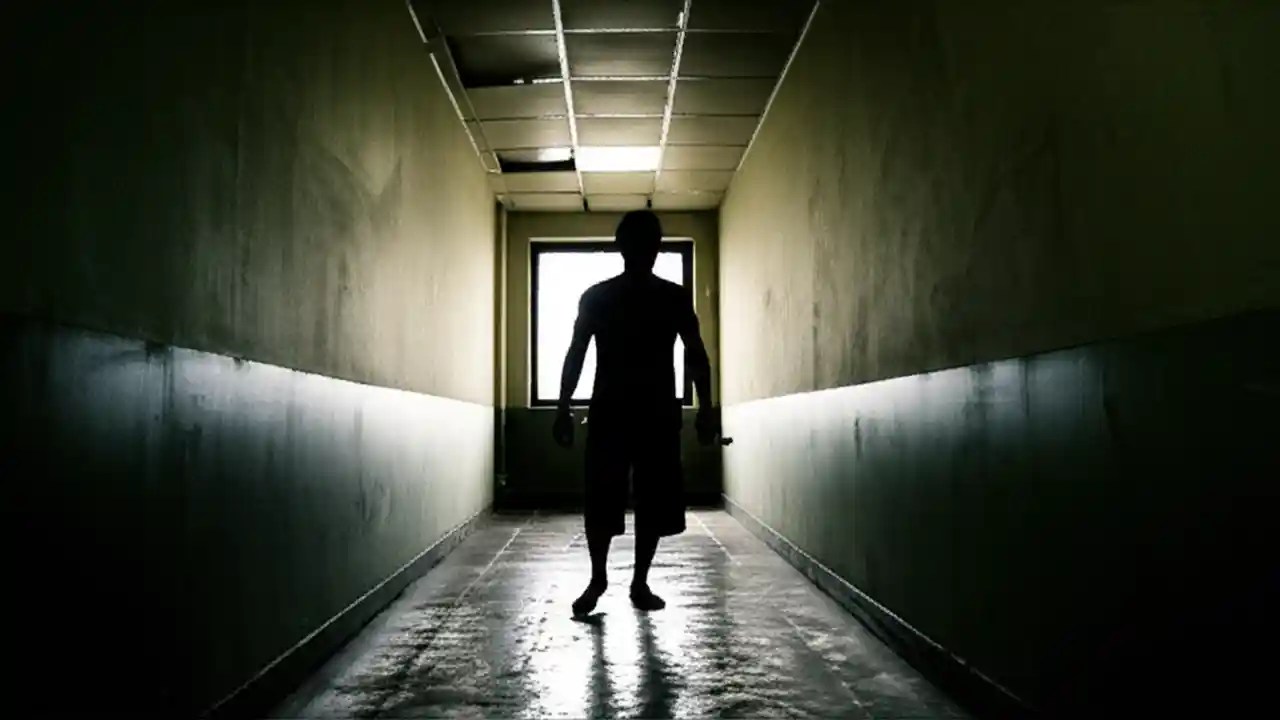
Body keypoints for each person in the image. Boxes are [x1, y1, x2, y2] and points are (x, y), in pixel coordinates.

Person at [552, 210, 719, 615]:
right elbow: (696, 357)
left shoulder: (607, 297)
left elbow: (696, 355)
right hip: (641, 412)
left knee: (632, 499)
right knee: (630, 499)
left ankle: (622, 580)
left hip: (632, 412)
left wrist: (562, 407)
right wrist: (706, 408)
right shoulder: (662, 297)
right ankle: (621, 580)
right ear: (647, 248)